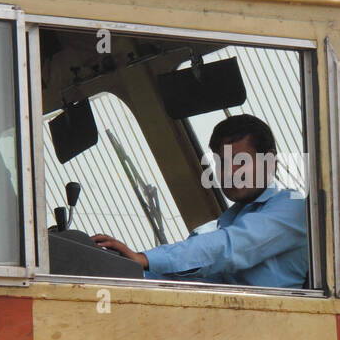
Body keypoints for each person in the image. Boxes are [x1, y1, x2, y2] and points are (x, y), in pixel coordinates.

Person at [91, 114, 308, 288]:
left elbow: (227, 249)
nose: (230, 172)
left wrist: (145, 259)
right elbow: (199, 281)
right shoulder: (227, 222)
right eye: (222, 163)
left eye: (240, 161)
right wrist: (128, 270)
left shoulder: (292, 208)